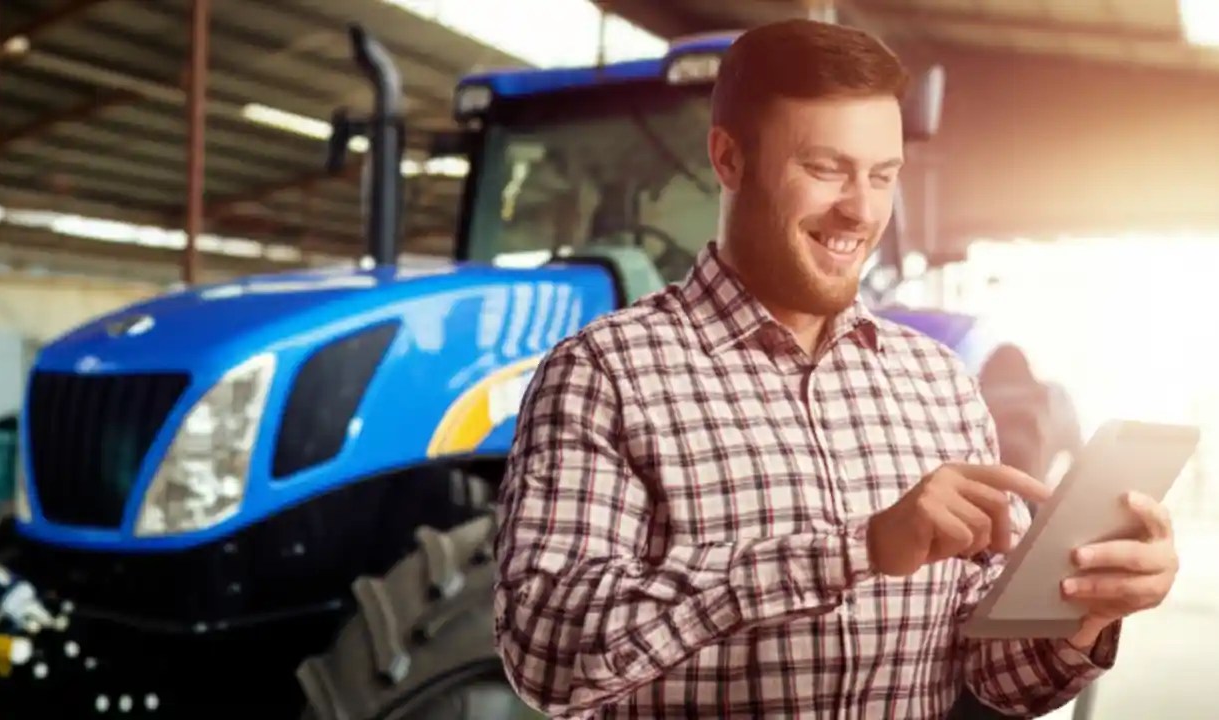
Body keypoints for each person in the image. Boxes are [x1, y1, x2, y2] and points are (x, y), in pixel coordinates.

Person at [492, 18, 1179, 719]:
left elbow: (991, 674)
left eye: (881, 176)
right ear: (728, 160)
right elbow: (547, 656)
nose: (859, 210)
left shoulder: (938, 383)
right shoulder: (605, 373)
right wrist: (855, 550)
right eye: (825, 169)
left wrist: (1084, 612)